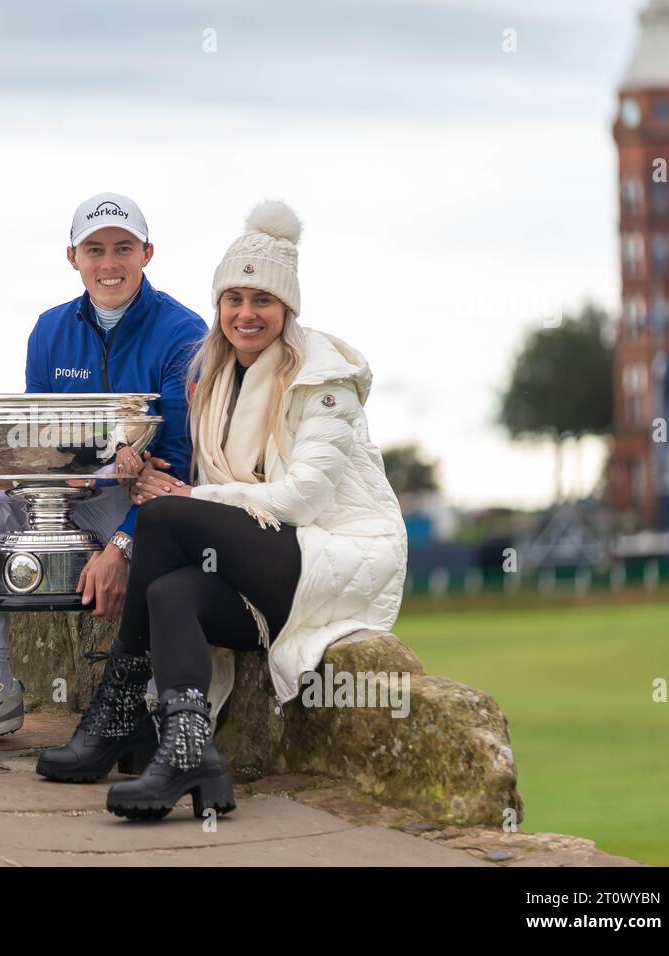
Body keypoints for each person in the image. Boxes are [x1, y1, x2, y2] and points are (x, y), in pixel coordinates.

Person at [36, 200, 408, 821]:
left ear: (286, 308)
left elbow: (301, 499)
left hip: (331, 555)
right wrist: (143, 470)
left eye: (261, 300)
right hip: (262, 566)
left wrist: (186, 498)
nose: (245, 313)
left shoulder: (323, 381)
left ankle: (118, 705)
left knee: (162, 517)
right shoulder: (216, 377)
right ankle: (190, 749)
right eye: (232, 300)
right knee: (171, 595)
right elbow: (212, 482)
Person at [0, 193, 207, 748]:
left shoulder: (183, 331)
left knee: (167, 495)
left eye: (123, 248)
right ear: (73, 257)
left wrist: (122, 546)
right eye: (95, 250)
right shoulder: (49, 329)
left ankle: (148, 694)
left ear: (148, 253)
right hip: (73, 499)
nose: (109, 263)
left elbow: (180, 457)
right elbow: (34, 444)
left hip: (144, 500)